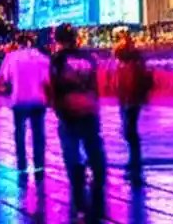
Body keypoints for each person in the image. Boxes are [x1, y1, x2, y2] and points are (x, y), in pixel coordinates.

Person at [50, 24, 106, 218]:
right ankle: (99, 177)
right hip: (90, 108)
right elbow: (95, 84)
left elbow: (53, 85)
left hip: (69, 111)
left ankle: (78, 188)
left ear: (58, 40)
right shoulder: (88, 57)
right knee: (94, 145)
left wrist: (57, 108)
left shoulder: (58, 60)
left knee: (71, 150)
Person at [0, 33, 50, 175]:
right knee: (38, 133)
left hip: (19, 100)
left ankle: (22, 165)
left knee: (19, 133)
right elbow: (48, 80)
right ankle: (39, 165)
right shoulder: (41, 58)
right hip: (38, 100)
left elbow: (2, 80)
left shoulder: (11, 57)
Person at [113, 30, 153, 179]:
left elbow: (130, 85)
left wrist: (129, 101)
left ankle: (135, 162)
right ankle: (134, 160)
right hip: (129, 101)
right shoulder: (129, 65)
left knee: (130, 131)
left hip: (129, 101)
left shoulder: (129, 67)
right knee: (129, 131)